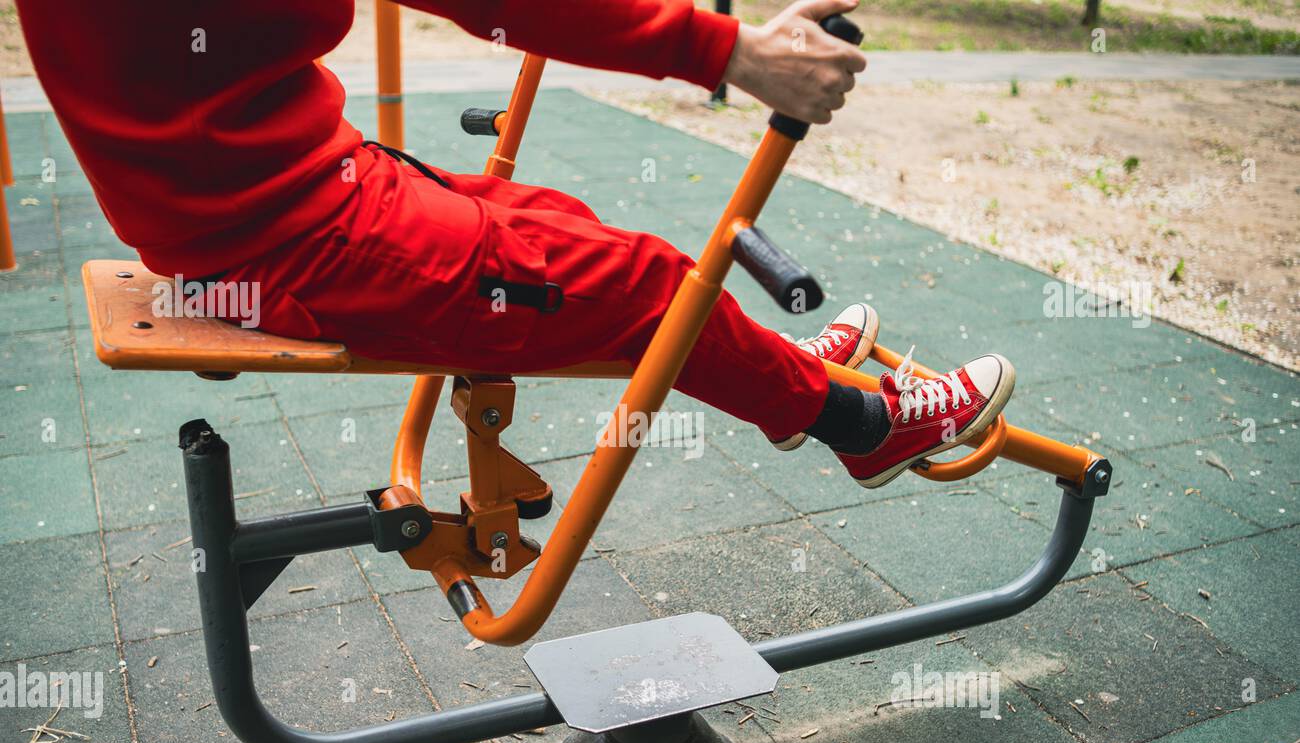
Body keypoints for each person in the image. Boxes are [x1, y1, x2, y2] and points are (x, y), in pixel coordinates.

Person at [16, 0, 1013, 487]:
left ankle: (780, 379)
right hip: (289, 239)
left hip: (278, 193)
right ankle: (861, 429)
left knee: (563, 225)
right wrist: (728, 51)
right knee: (645, 286)